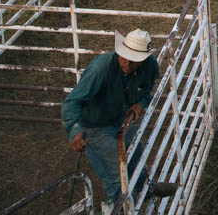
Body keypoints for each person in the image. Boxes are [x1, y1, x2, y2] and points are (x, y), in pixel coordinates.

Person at [61, 29, 160, 213]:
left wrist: (141, 102)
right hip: (95, 125)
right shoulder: (101, 69)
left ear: (144, 59)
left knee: (135, 152)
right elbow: (72, 101)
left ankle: (145, 188)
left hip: (121, 117)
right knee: (116, 171)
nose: (127, 63)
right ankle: (120, 209)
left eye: (134, 60)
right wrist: (74, 128)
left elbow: (148, 85)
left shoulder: (150, 65)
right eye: (125, 57)